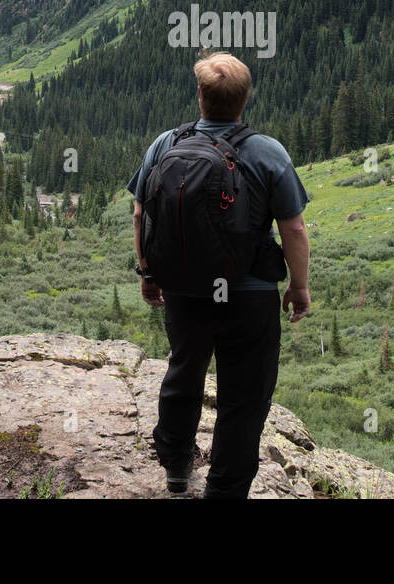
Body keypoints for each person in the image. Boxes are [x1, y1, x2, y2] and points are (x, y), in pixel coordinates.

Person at [127, 51, 311, 498]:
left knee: (183, 373)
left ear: (200, 96)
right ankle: (225, 490)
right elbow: (293, 227)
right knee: (244, 397)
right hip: (249, 295)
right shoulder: (268, 152)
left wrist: (148, 272)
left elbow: (139, 213)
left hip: (185, 290)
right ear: (244, 99)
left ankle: (175, 466)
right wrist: (299, 286)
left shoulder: (165, 144)